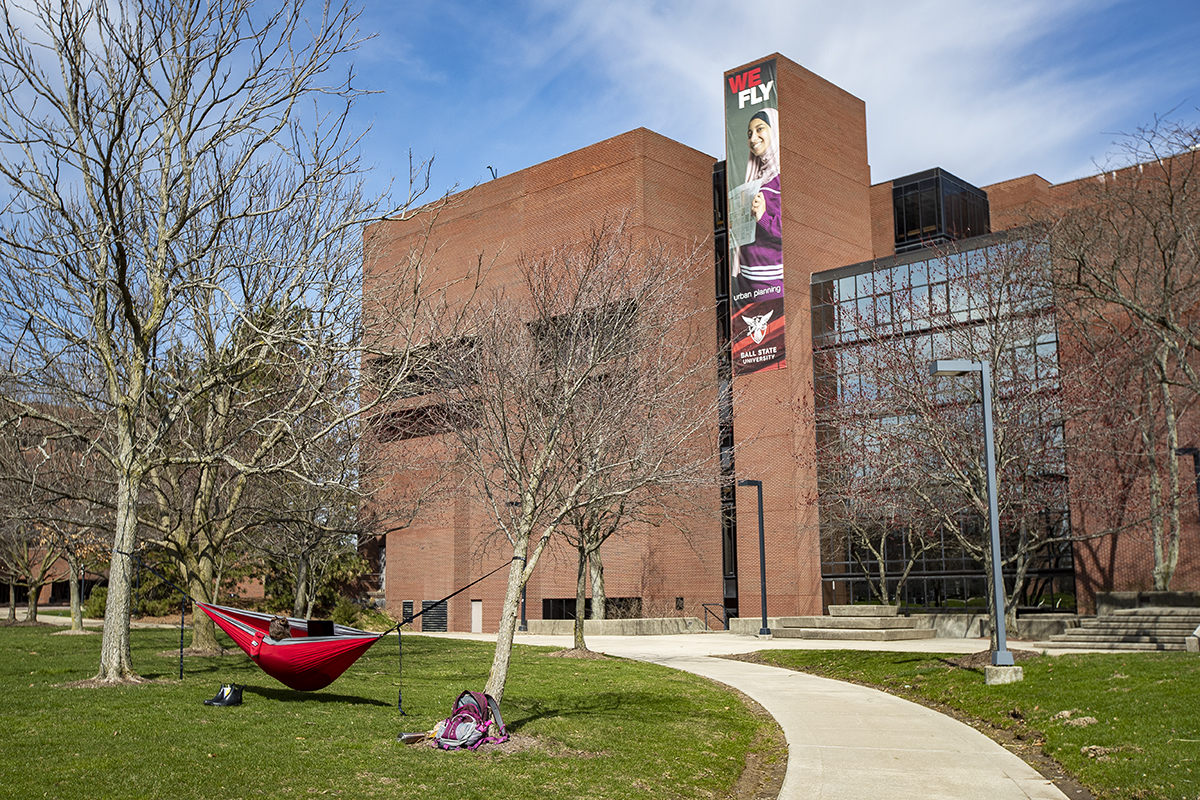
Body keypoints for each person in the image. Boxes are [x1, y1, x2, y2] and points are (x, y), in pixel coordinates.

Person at [733, 107, 783, 298]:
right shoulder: (754, 176)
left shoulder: (784, 177)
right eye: (749, 133)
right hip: (745, 279)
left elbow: (790, 230)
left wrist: (762, 217)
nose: (753, 138)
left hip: (771, 281)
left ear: (775, 130)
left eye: (760, 129)